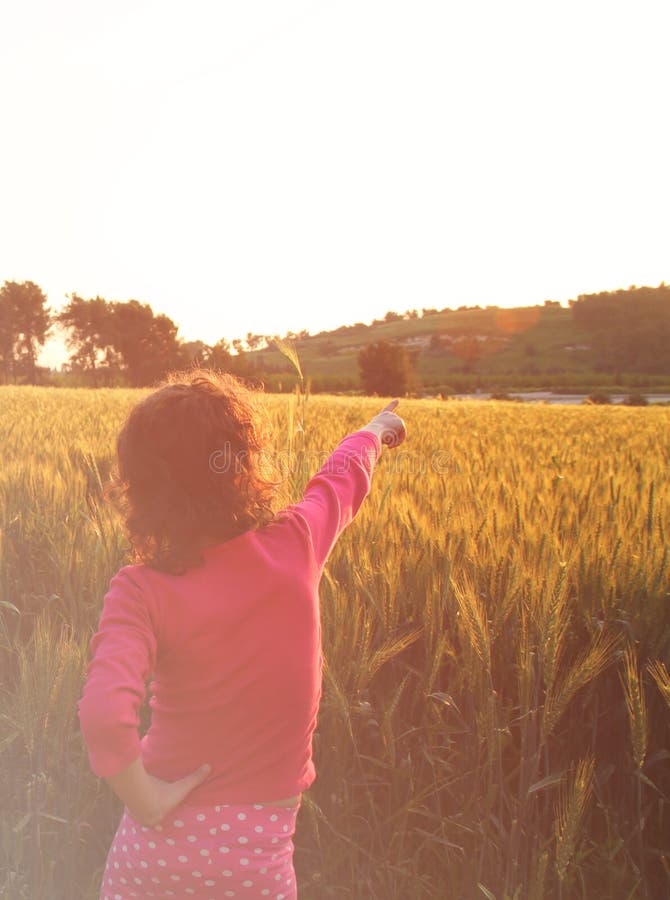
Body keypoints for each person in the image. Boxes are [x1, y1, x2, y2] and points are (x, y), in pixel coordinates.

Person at [78, 370, 406, 900]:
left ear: (141, 487)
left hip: (150, 854)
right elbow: (338, 481)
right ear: (245, 466)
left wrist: (146, 801)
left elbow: (101, 715)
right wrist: (375, 429)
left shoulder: (140, 589)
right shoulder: (297, 543)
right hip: (254, 862)